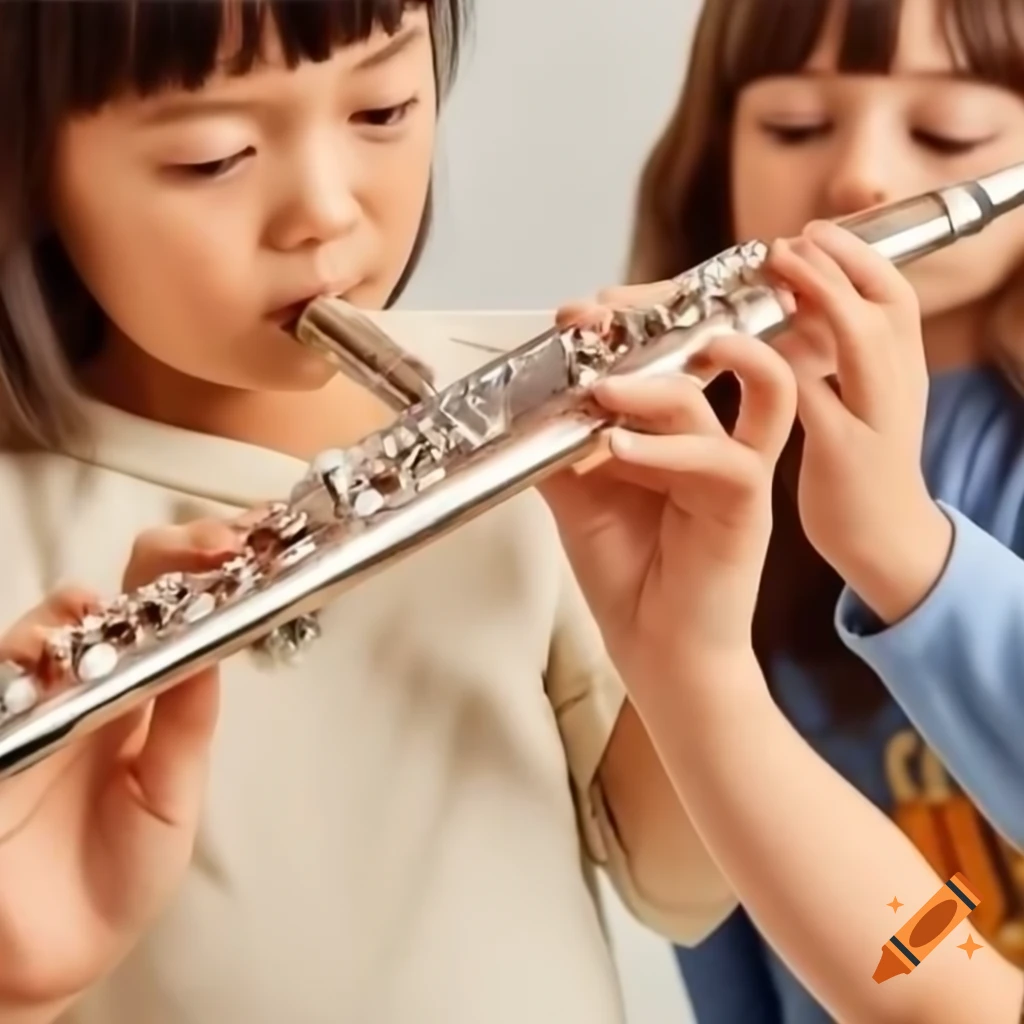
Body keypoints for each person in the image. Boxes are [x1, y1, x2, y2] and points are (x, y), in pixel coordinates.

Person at [0, 1, 759, 1021]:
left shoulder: (537, 405)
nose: (325, 209)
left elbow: (678, 884)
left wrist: (695, 638)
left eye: (384, 108)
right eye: (213, 157)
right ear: (28, 159)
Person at [626, 0, 1024, 1019]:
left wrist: (906, 552)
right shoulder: (709, 457)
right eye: (796, 125)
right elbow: (720, 904)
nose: (858, 179)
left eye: (949, 133)